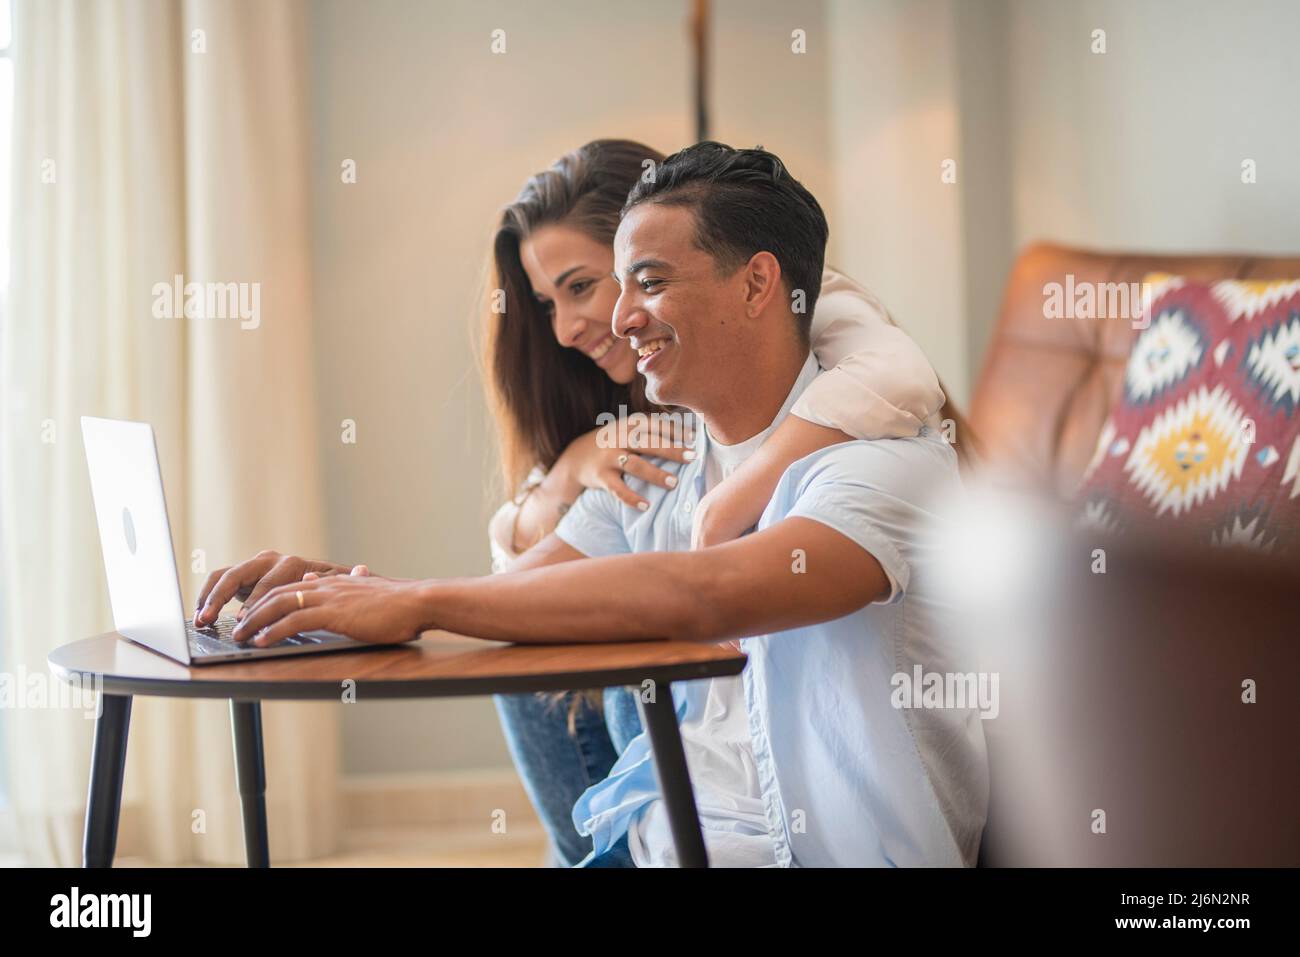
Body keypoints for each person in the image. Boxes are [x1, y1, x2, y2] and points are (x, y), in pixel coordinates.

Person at [198, 142, 988, 867]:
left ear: (756, 283)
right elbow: (512, 595)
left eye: (646, 282)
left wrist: (420, 600)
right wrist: (343, 592)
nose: (612, 320)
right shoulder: (658, 462)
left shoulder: (884, 468)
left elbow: (705, 592)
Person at [478, 139, 959, 864]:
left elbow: (901, 378)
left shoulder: (822, 320)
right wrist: (567, 471)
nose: (567, 328)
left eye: (584, 287)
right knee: (541, 644)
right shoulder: (642, 434)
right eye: (548, 302)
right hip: (675, 791)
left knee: (627, 651)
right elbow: (516, 583)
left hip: (767, 776)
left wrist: (726, 502)